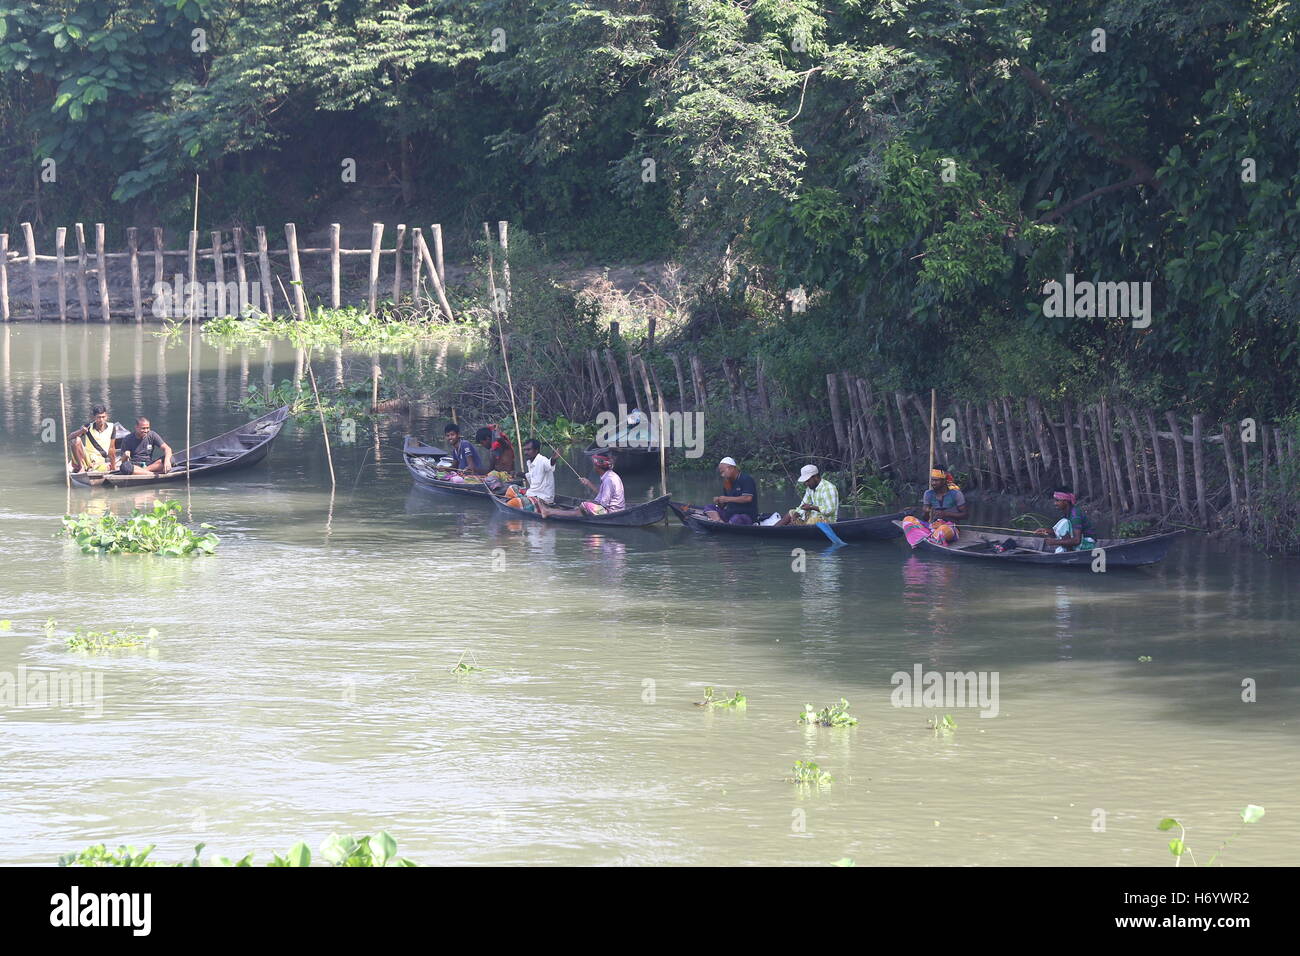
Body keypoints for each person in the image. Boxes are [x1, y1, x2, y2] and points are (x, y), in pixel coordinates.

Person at [538, 452, 624, 518]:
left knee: (583, 506)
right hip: (615, 510)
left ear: (598, 467)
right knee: (580, 508)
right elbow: (602, 495)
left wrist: (586, 506)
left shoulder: (609, 479)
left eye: (594, 466)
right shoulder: (609, 476)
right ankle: (550, 511)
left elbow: (604, 503)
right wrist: (589, 484)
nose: (594, 467)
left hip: (612, 512)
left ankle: (548, 512)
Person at [1034, 488, 1097, 552]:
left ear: (1066, 502)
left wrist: (1055, 542)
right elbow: (1061, 531)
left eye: (1057, 500)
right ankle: (1068, 551)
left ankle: (1069, 552)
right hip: (1081, 543)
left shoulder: (1075, 514)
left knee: (1064, 522)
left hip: (1088, 544)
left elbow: (1077, 540)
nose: (1055, 503)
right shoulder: (1067, 513)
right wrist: (1045, 531)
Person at [701, 456, 759, 525]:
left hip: (746, 515)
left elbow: (747, 498)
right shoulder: (727, 483)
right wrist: (719, 501)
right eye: (721, 473)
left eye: (723, 472)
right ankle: (720, 522)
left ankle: (724, 524)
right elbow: (724, 505)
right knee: (708, 507)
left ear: (731, 468)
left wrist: (727, 499)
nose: (722, 475)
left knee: (736, 519)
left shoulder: (746, 479)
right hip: (730, 514)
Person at [507, 438, 557, 508]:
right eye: (524, 450)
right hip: (533, 494)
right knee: (511, 488)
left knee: (513, 503)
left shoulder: (542, 460)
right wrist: (517, 473)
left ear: (536, 450)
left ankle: (521, 501)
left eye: (528, 450)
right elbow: (530, 476)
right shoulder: (530, 462)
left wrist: (554, 459)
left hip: (543, 499)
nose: (525, 452)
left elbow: (550, 464)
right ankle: (522, 500)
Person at [68, 404, 118, 474]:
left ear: (106, 416)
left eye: (103, 417)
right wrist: (81, 431)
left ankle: (91, 469)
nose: (101, 420)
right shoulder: (88, 427)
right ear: (94, 417)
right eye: (99, 417)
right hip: (87, 457)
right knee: (75, 440)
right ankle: (81, 467)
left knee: (105, 468)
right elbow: (70, 437)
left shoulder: (112, 427)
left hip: (100, 460)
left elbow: (112, 448)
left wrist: (113, 466)